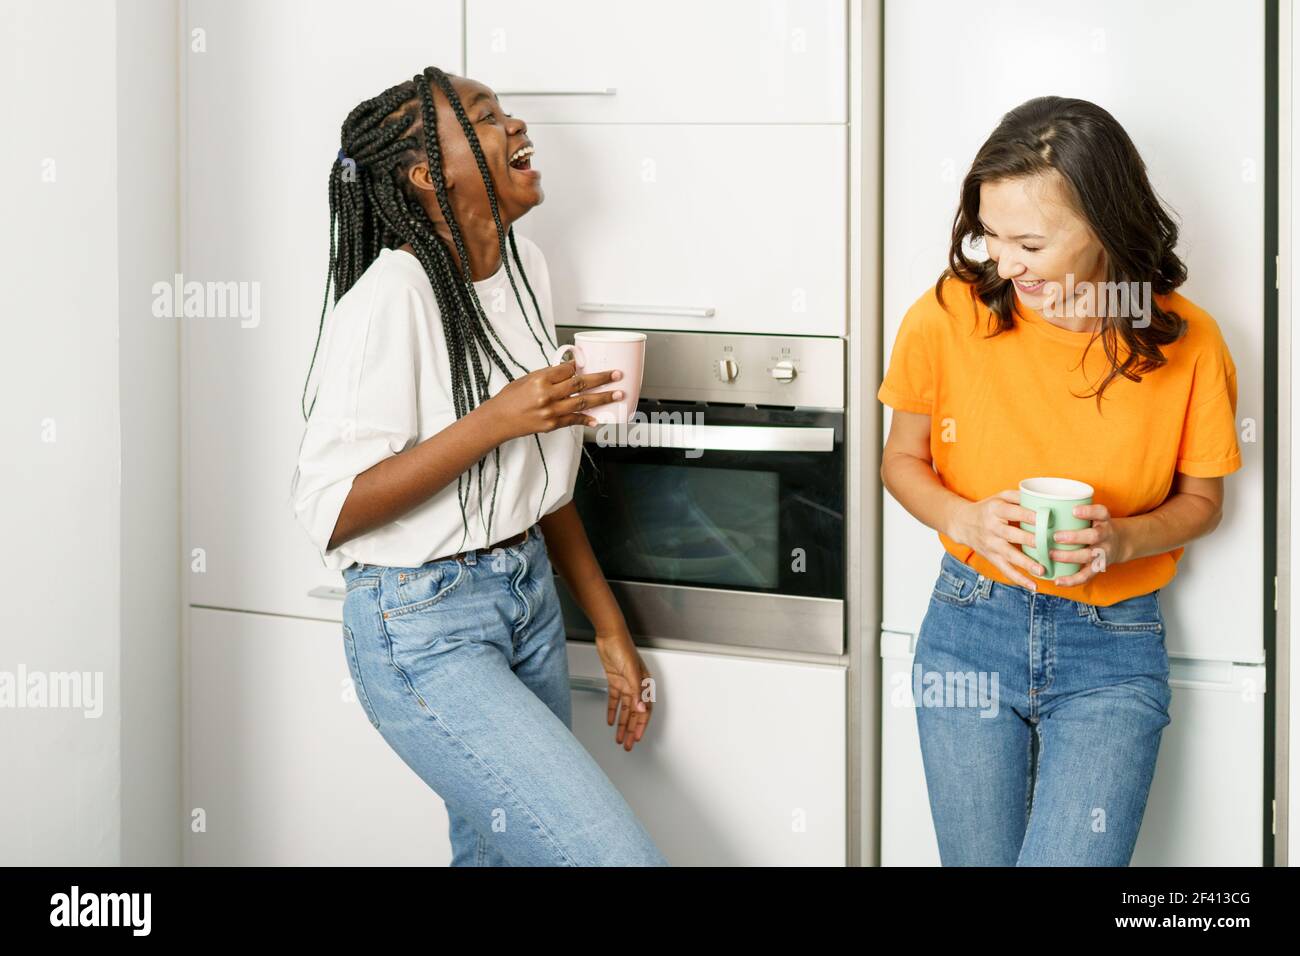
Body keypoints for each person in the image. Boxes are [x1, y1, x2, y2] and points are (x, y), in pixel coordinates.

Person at [289, 66, 667, 866]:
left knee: (502, 858)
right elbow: (332, 508)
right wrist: (494, 421)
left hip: (524, 596)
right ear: (429, 174)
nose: (515, 123)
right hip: (422, 626)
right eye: (487, 117)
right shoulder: (391, 298)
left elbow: (533, 481)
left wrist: (606, 625)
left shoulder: (524, 266)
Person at [878, 96, 1242, 866]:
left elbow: (1204, 501)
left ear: (1104, 226)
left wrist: (1124, 539)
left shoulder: (1191, 341)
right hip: (967, 631)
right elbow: (900, 461)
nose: (1003, 263)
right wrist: (965, 519)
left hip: (1111, 651)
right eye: (990, 234)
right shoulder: (948, 315)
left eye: (1029, 242)